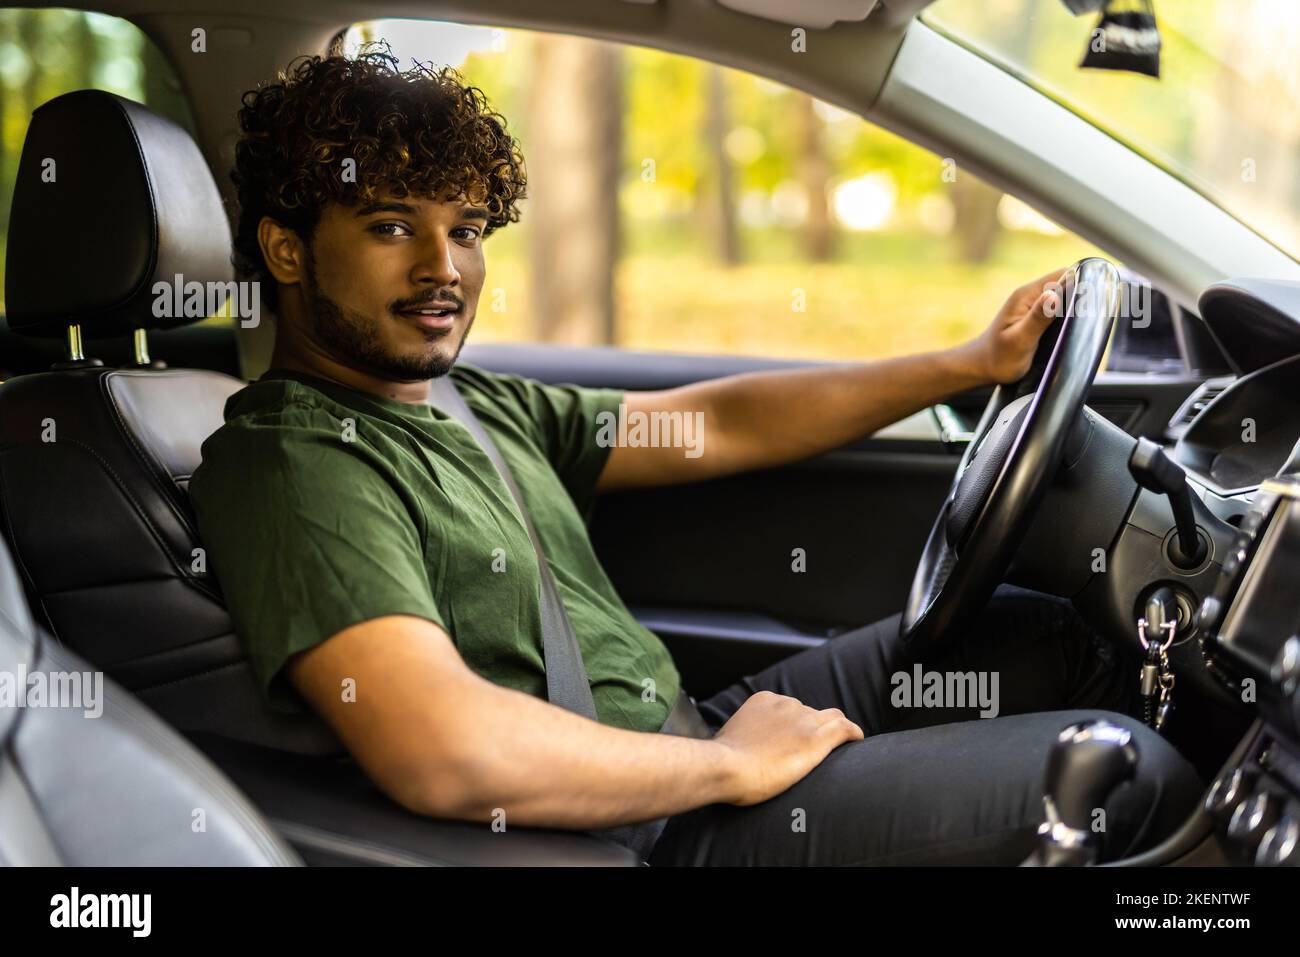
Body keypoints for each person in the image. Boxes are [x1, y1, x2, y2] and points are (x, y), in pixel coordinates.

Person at [190, 49, 1202, 866]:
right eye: (390, 228)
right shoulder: (298, 465)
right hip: (641, 825)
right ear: (286, 250)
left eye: (465, 229)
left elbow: (713, 426)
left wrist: (965, 363)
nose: (443, 267)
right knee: (1124, 775)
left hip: (679, 733)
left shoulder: (460, 397)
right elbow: (445, 753)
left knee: (1061, 636)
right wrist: (727, 769)